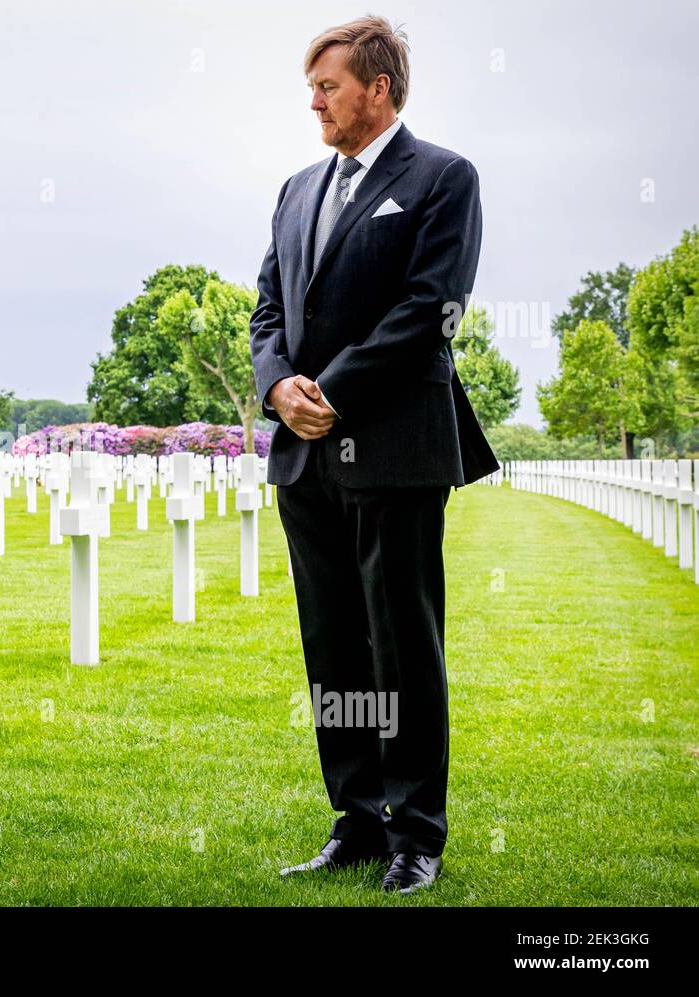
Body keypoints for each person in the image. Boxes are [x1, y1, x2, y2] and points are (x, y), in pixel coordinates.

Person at [249, 14, 499, 894]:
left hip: (393, 447)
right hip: (304, 456)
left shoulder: (441, 179)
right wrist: (280, 386)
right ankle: (355, 819)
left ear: (379, 89)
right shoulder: (294, 189)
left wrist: (333, 391)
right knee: (333, 646)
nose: (314, 102)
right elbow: (268, 311)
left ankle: (415, 833)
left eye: (329, 87)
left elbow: (430, 308)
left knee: (401, 641)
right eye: (310, 88)